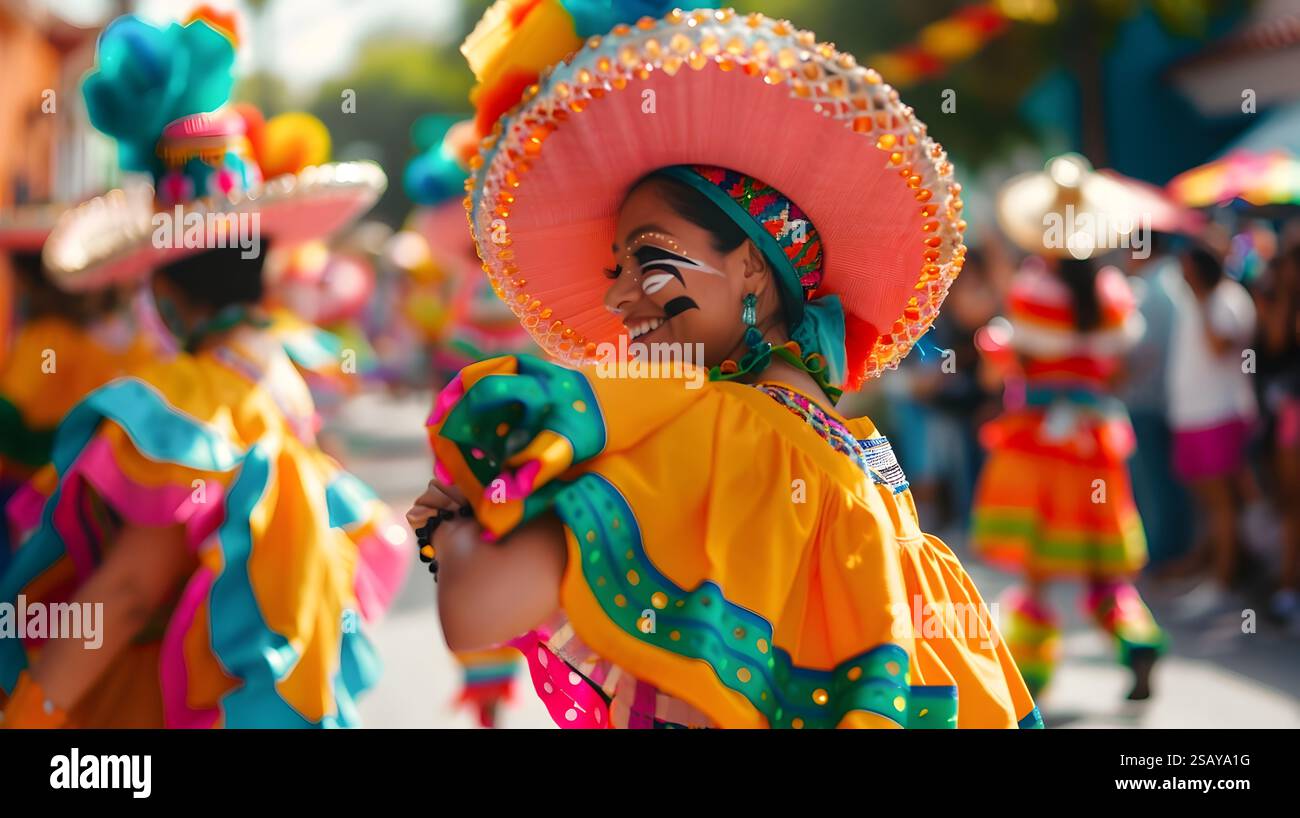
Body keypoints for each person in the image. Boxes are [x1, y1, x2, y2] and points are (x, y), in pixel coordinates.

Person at [407, 1, 1039, 729]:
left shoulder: (713, 427)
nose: (616, 295)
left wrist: (455, 528)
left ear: (749, 267)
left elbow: (478, 609)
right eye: (617, 266)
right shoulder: (865, 463)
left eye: (648, 256)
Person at [0, 12, 405, 728]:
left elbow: (130, 588)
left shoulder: (195, 396)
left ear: (164, 288)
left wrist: (34, 708)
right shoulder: (287, 370)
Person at [971, 154, 1165, 701]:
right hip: (1097, 440)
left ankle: (1029, 677)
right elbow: (1122, 369)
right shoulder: (1111, 294)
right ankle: (1136, 636)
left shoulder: (1033, 289)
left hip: (1039, 438)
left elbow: (1010, 363)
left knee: (1038, 569)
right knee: (1105, 566)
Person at [1166, 243, 1258, 620]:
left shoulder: (1227, 299)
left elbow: (1219, 346)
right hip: (1194, 415)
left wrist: (1204, 301)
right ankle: (1210, 572)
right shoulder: (1198, 300)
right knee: (1208, 503)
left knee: (1222, 504)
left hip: (1219, 414)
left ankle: (1224, 581)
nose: (1184, 277)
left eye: (1188, 269)